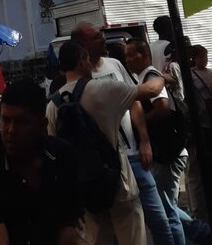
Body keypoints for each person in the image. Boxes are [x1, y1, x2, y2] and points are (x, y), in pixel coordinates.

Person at [49, 39, 165, 245]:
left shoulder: (52, 105)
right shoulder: (103, 89)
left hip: (84, 189)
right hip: (119, 184)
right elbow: (151, 90)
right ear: (82, 61)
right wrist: (162, 76)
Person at [0, 78, 85, 245]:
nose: (11, 130)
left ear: (43, 125)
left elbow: (67, 227)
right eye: (5, 120)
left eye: (21, 122)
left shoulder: (62, 156)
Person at [124, 37, 186, 245]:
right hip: (165, 150)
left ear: (144, 54)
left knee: (167, 210)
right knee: (167, 205)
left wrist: (137, 123)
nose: (128, 59)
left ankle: (195, 233)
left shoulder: (150, 77)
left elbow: (162, 108)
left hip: (167, 151)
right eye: (126, 55)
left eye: (131, 54)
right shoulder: (143, 78)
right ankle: (199, 230)